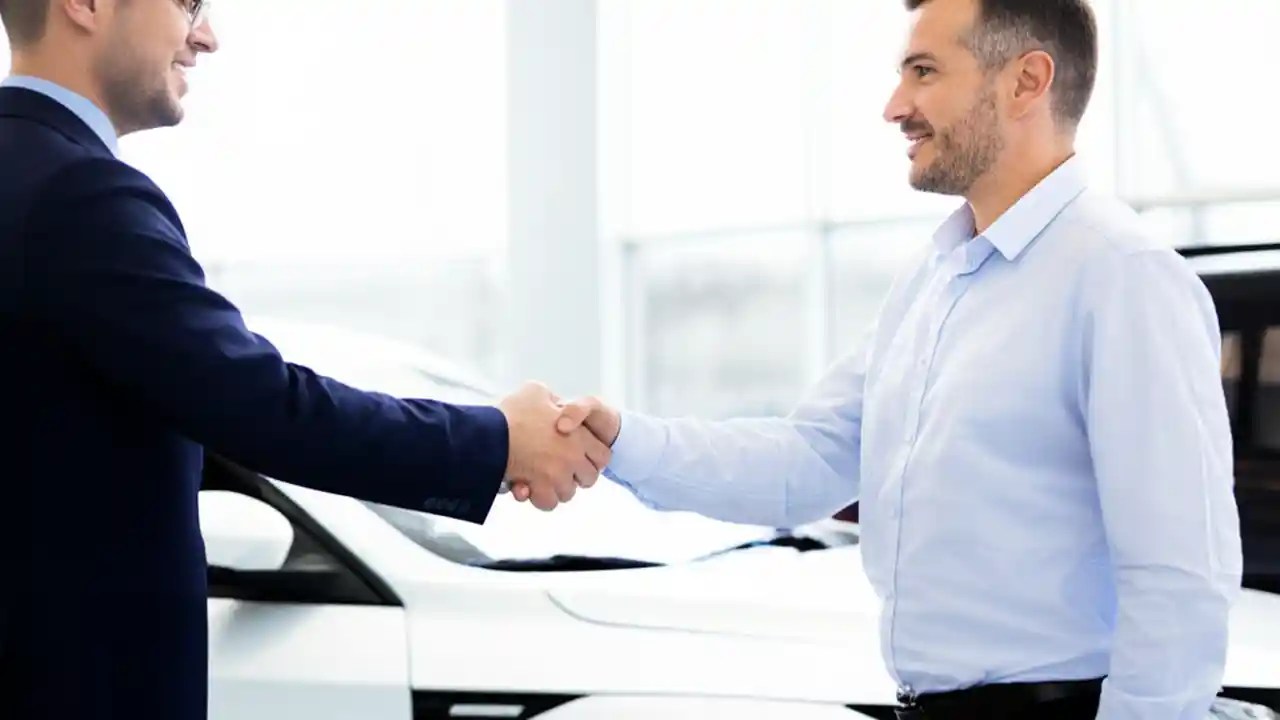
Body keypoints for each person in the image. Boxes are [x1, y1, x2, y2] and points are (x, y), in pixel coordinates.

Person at [549, 0, 1243, 718]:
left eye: (925, 72)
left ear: (1026, 81)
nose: (894, 106)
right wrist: (621, 440)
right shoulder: (935, 279)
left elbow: (1179, 576)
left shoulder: (1122, 275)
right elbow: (807, 462)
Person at [0, 1, 609, 718]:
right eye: (186, 3)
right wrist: (500, 441)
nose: (207, 36)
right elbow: (259, 403)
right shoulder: (79, 194)